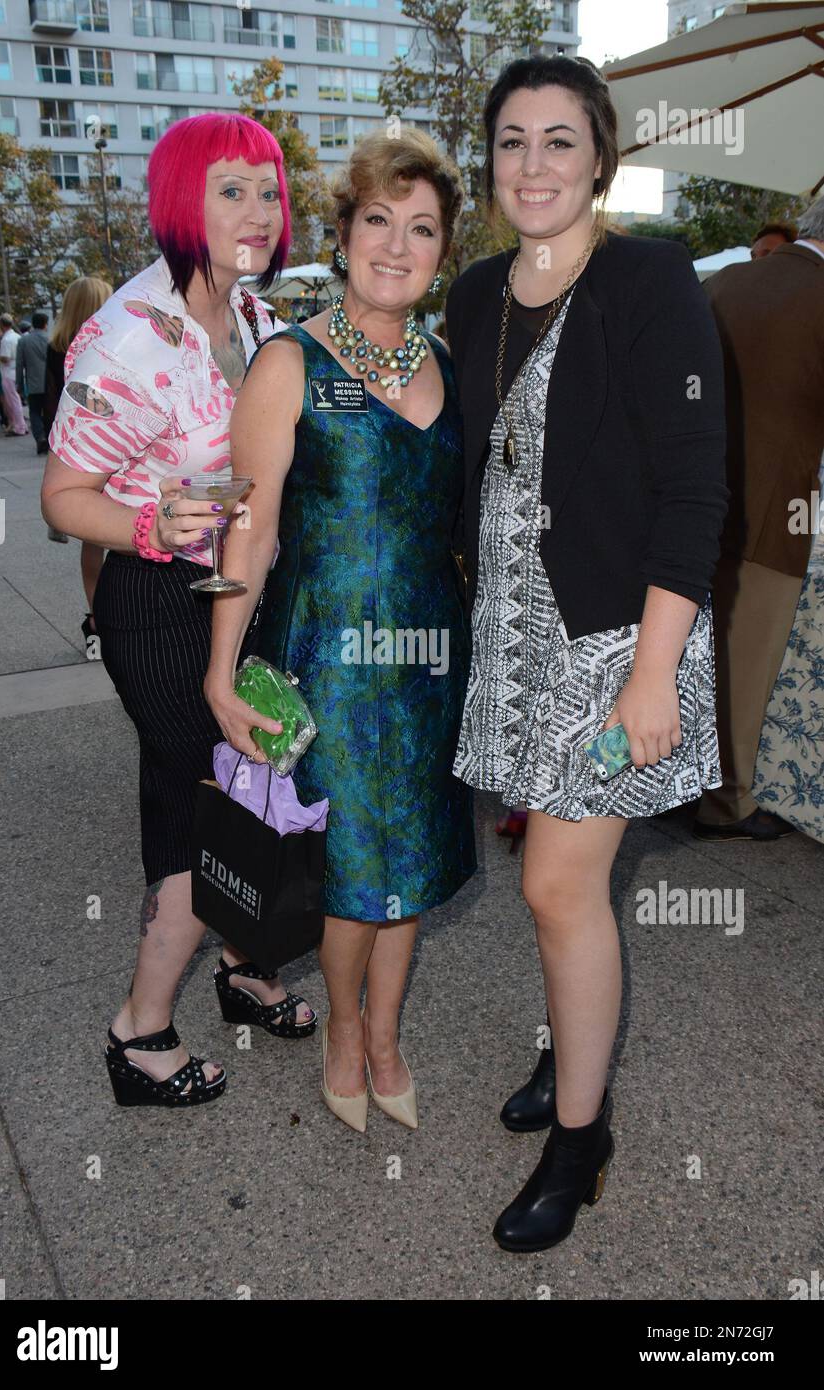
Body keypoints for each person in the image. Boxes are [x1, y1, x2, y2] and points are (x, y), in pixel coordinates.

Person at [446, 55, 728, 1252]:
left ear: (600, 156)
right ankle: (574, 1049)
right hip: (514, 633)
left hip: (618, 638)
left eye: (558, 141)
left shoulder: (649, 280)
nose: (533, 165)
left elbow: (692, 487)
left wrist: (653, 670)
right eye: (511, 141)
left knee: (556, 885)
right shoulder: (472, 296)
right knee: (561, 892)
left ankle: (579, 1138)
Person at [41, 112, 317, 1110]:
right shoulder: (126, 332)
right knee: (207, 801)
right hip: (159, 603)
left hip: (237, 591)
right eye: (229, 189)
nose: (256, 209)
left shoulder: (244, 316)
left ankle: (242, 971)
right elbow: (60, 499)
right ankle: (139, 1030)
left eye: (266, 188)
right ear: (180, 203)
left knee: (225, 786)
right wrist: (152, 522)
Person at [205, 128, 476, 1134]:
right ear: (344, 232)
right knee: (353, 869)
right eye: (377, 221)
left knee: (410, 872)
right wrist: (220, 673)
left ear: (443, 247)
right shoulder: (289, 361)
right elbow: (250, 526)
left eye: (420, 228)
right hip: (325, 657)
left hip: (426, 663)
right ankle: (342, 1036)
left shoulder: (448, 364)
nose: (396, 246)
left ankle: (388, 1033)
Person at [694, 195, 824, 840]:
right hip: (778, 513)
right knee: (745, 664)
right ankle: (727, 803)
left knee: (699, 651)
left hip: (694, 503)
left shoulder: (728, 279)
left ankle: (673, 783)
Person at [42, 277, 114, 623]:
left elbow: (50, 396)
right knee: (112, 530)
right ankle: (109, 614)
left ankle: (95, 614)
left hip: (71, 445)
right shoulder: (110, 341)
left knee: (91, 539)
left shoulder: (57, 344)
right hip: (108, 444)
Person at [16, 311, 50, 454]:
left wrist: (19, 384)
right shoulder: (50, 339)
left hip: (33, 382)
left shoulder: (24, 341)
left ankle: (40, 437)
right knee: (49, 412)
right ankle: (49, 439)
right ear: (45, 324)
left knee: (35, 412)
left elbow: (19, 364)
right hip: (50, 384)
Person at [0, 313, 28, 436]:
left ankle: (19, 426)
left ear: (2, 325)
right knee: (16, 399)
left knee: (13, 401)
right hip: (17, 370)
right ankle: (20, 425)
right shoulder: (16, 337)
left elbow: (6, 358)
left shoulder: (6, 339)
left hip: (8, 371)